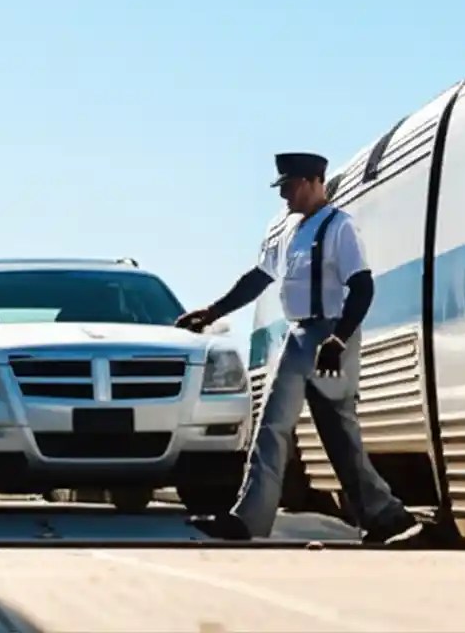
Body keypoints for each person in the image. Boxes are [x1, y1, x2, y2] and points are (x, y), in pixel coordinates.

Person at [175, 151, 423, 545]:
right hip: (299, 335)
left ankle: (386, 517)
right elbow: (258, 279)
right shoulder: (288, 231)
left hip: (330, 334)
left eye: (289, 186)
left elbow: (362, 287)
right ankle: (248, 519)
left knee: (339, 433)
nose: (284, 196)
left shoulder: (339, 227)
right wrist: (212, 311)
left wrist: (338, 339)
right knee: (273, 422)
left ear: (312, 181)